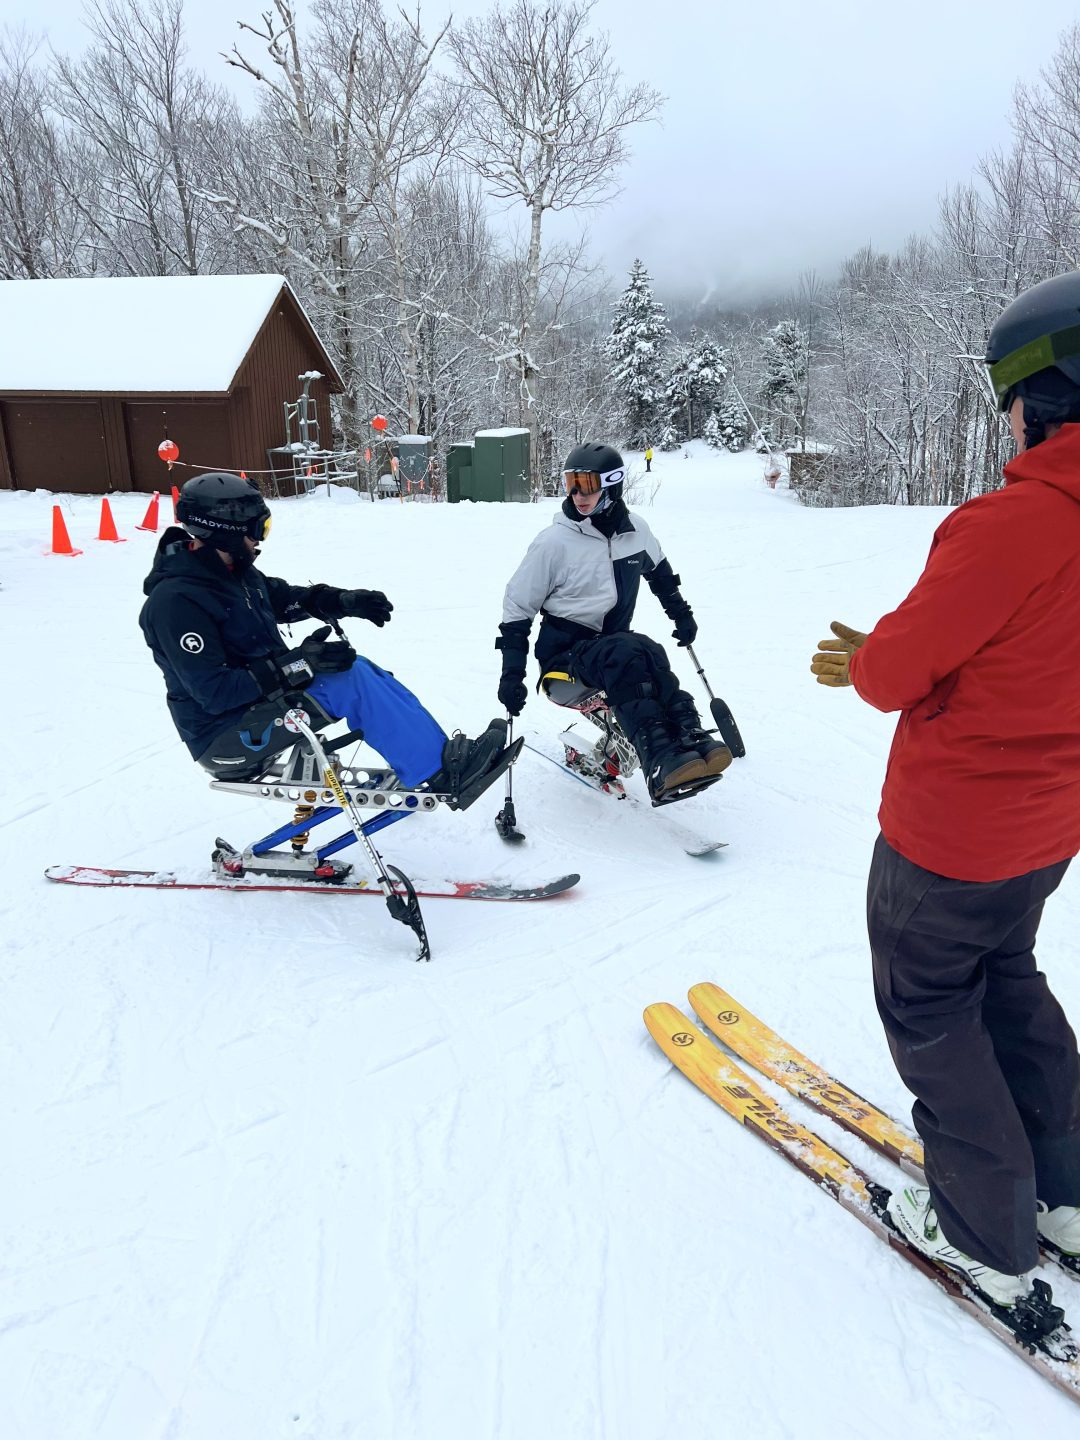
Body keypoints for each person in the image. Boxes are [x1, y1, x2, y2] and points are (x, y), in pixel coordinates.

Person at [811, 270, 1080, 1322]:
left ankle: (986, 1234)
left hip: (952, 832)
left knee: (930, 1008)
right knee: (1007, 977)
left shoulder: (1014, 522)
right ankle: (1065, 1194)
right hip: (1051, 824)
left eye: (1011, 396)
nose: (1008, 419)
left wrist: (876, 655)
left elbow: (892, 674)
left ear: (1045, 393)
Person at [140, 472, 511, 808]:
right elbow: (215, 692)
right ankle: (443, 774)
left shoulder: (232, 573)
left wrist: (341, 600)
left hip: (256, 710)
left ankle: (440, 755)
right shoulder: (176, 603)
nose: (261, 538)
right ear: (226, 531)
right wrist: (300, 663)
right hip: (224, 740)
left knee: (356, 668)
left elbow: (285, 598)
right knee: (348, 682)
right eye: (259, 528)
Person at [495, 441, 731, 804]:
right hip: (563, 666)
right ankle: (658, 760)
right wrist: (512, 675)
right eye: (570, 483)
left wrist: (681, 616)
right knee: (627, 650)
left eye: (586, 484)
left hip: (616, 656)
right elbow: (516, 610)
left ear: (612, 485)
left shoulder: (635, 531)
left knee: (649, 651)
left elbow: (661, 575)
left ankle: (691, 739)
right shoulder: (554, 543)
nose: (577, 494)